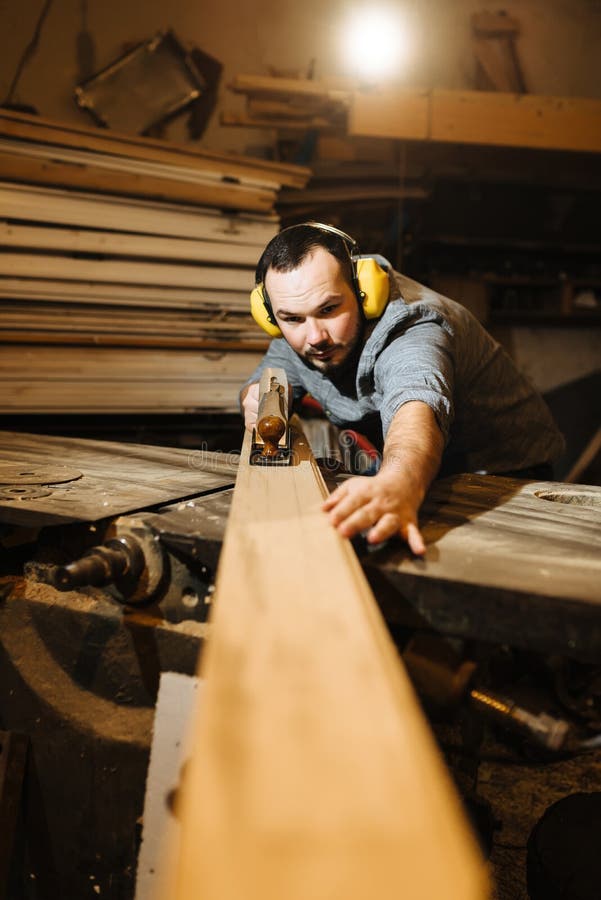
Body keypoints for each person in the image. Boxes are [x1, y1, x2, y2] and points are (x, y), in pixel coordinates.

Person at [240, 223, 565, 556]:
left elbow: (415, 404)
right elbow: (269, 376)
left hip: (503, 470)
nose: (315, 337)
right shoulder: (298, 334)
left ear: (363, 291)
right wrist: (254, 398)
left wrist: (397, 480)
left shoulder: (413, 327)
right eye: (292, 319)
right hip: (427, 473)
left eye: (329, 309)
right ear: (271, 316)